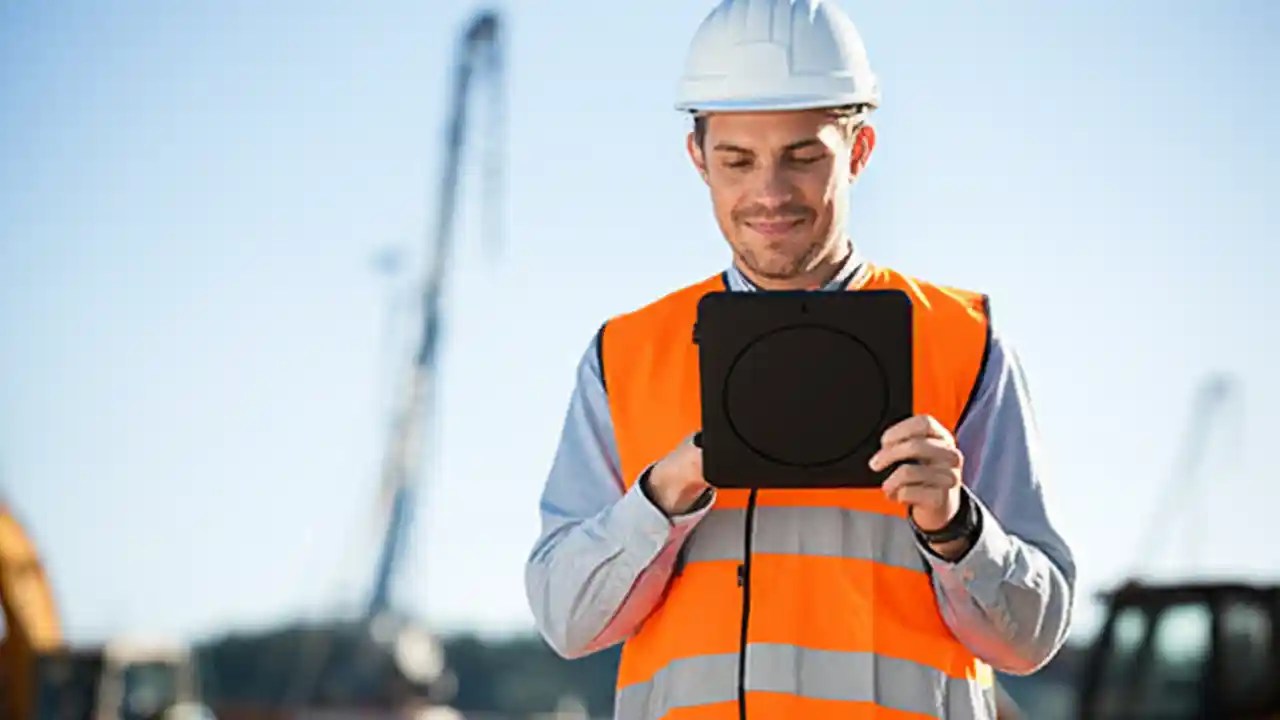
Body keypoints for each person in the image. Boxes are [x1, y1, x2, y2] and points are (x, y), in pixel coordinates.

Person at [524, 1, 1075, 718]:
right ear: (698, 158)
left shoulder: (964, 342)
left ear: (861, 149)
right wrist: (663, 494)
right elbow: (567, 620)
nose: (770, 193)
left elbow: (1032, 640)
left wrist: (955, 525)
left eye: (804, 156)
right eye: (737, 160)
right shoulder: (626, 356)